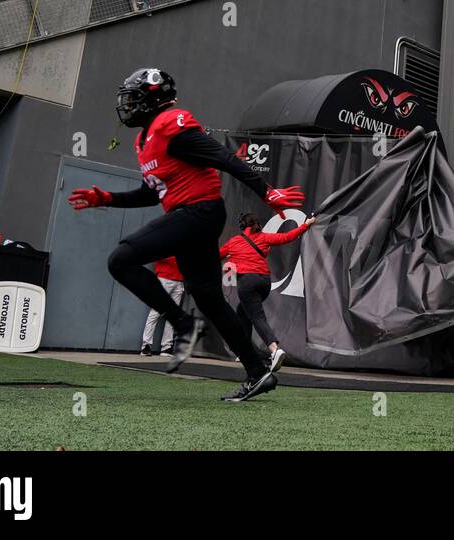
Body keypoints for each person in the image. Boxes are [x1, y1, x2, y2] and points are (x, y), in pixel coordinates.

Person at [68, 67, 304, 403]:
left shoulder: (171, 124)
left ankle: (183, 325)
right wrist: (107, 199)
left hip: (199, 213)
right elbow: (152, 192)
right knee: (207, 296)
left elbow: (221, 156)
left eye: (135, 98)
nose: (129, 106)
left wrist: (266, 191)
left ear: (154, 97)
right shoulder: (144, 139)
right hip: (191, 217)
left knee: (121, 260)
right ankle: (257, 371)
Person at [220, 211, 313, 374]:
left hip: (247, 283)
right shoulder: (264, 238)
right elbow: (288, 237)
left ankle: (274, 349)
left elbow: (215, 257)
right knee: (243, 311)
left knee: (256, 316)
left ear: (242, 226)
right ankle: (245, 351)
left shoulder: (233, 242)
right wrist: (306, 224)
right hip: (264, 282)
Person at [141, 256, 186, 357]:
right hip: (163, 279)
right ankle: (146, 345)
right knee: (155, 313)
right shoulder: (165, 241)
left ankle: (166, 347)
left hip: (179, 280)